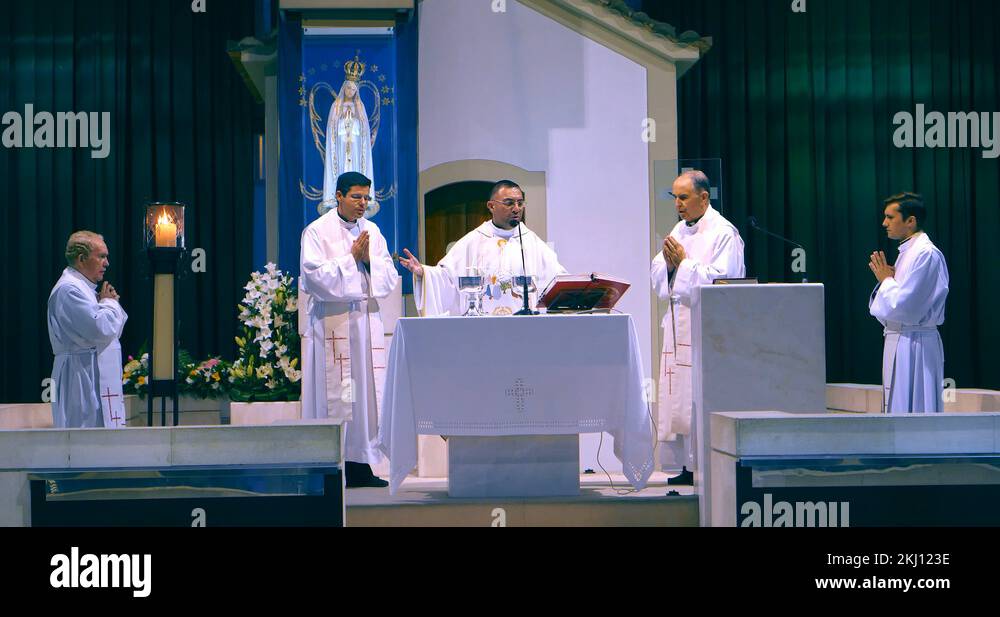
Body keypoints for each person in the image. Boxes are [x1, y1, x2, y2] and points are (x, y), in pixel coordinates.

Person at [301, 171, 399, 487]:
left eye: (367, 198)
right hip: (332, 324)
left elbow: (387, 276)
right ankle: (333, 464)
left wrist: (368, 260)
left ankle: (362, 464)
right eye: (356, 197)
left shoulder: (373, 230)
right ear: (339, 196)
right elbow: (313, 277)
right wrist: (350, 259)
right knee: (339, 393)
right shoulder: (316, 232)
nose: (362, 204)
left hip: (362, 324)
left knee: (364, 396)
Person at [650, 170, 744, 485]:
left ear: (704, 197)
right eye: (674, 197)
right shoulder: (680, 229)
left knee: (700, 395)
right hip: (678, 326)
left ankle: (709, 465)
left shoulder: (723, 233)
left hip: (707, 330)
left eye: (683, 197)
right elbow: (658, 274)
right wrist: (670, 264)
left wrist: (683, 264)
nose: (677, 204)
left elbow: (723, 281)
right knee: (680, 398)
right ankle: (688, 466)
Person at [398, 180, 566, 316]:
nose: (516, 208)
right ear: (491, 206)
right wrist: (424, 272)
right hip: (484, 328)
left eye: (520, 203)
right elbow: (447, 277)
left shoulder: (531, 242)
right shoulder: (473, 241)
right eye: (509, 203)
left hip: (523, 327)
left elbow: (557, 280)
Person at [868, 192, 949, 413]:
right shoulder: (907, 252)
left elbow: (907, 308)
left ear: (910, 221)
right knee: (899, 407)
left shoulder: (925, 254)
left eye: (890, 217)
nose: (884, 223)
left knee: (916, 407)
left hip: (916, 343)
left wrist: (886, 280)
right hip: (902, 339)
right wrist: (889, 281)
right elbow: (894, 307)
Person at [47, 231, 128, 428]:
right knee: (83, 443)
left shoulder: (85, 288)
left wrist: (106, 305)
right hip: (79, 378)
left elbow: (112, 333)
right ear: (81, 259)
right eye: (101, 256)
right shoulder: (69, 289)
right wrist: (109, 304)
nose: (107, 263)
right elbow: (100, 330)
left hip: (90, 371)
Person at [321, 55, 377, 218]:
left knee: (354, 167)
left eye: (353, 89)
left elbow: (364, 132)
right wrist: (342, 129)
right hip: (340, 145)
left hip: (355, 147)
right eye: (348, 88)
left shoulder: (360, 108)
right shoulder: (336, 107)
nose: (350, 91)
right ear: (344, 88)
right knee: (342, 166)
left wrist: (354, 129)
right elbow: (332, 130)